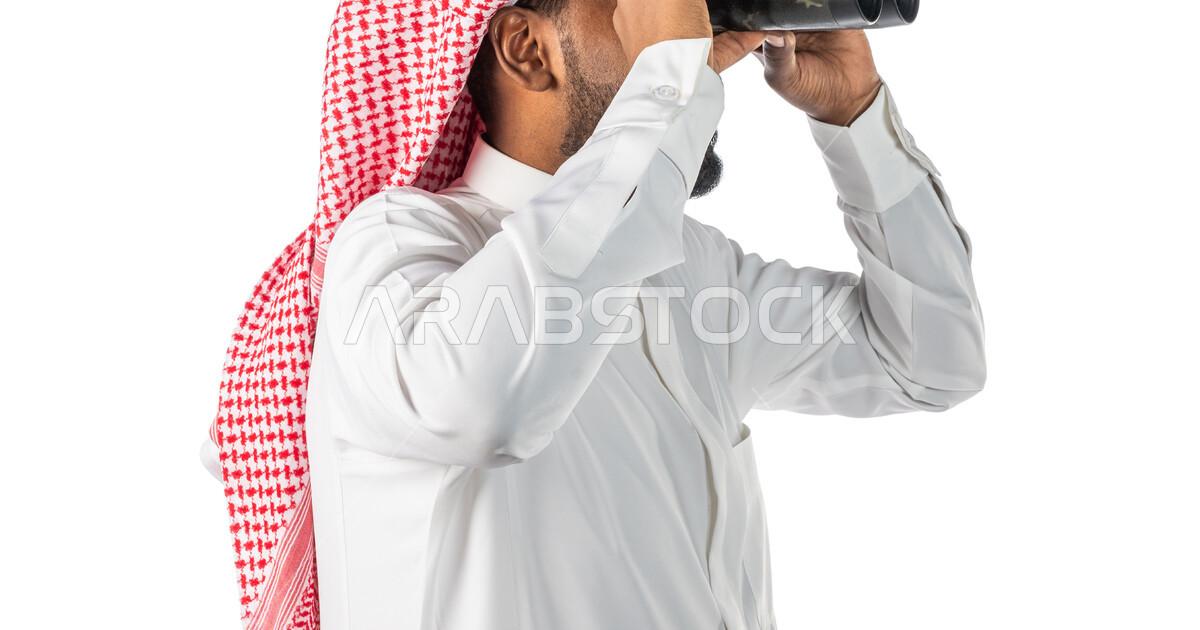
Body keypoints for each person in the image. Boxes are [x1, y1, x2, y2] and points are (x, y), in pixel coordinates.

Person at [208, 0, 986, 627]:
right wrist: (666, 88)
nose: (688, 30)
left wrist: (855, 117)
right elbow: (485, 406)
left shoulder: (691, 269)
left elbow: (929, 360)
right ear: (526, 48)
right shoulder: (392, 251)